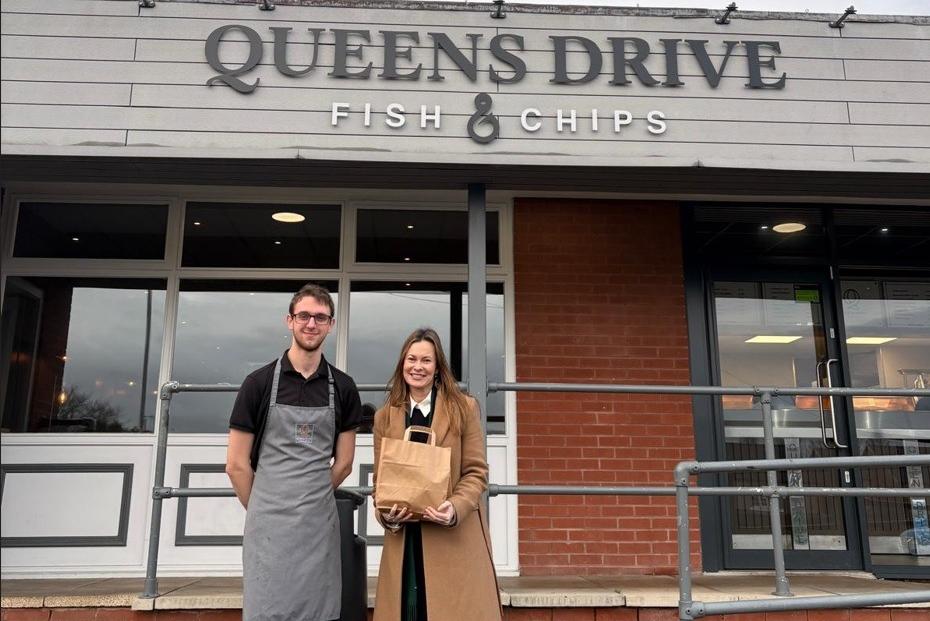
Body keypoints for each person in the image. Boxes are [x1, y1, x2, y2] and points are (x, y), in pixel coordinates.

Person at [226, 283, 362, 621]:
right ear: (289, 320)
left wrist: (310, 497)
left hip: (318, 528)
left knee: (320, 612)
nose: (311, 324)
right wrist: (264, 506)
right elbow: (235, 465)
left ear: (331, 324)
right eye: (304, 316)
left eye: (320, 317)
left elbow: (344, 463)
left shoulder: (343, 388)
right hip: (267, 529)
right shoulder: (257, 384)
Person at [373, 328, 502, 621]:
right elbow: (379, 484)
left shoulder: (463, 408)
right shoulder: (385, 417)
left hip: (452, 540)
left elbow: (476, 473)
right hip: (405, 543)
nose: (417, 367)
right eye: (411, 359)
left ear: (438, 368)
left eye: (426, 361)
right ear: (402, 364)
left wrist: (454, 508)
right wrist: (387, 516)